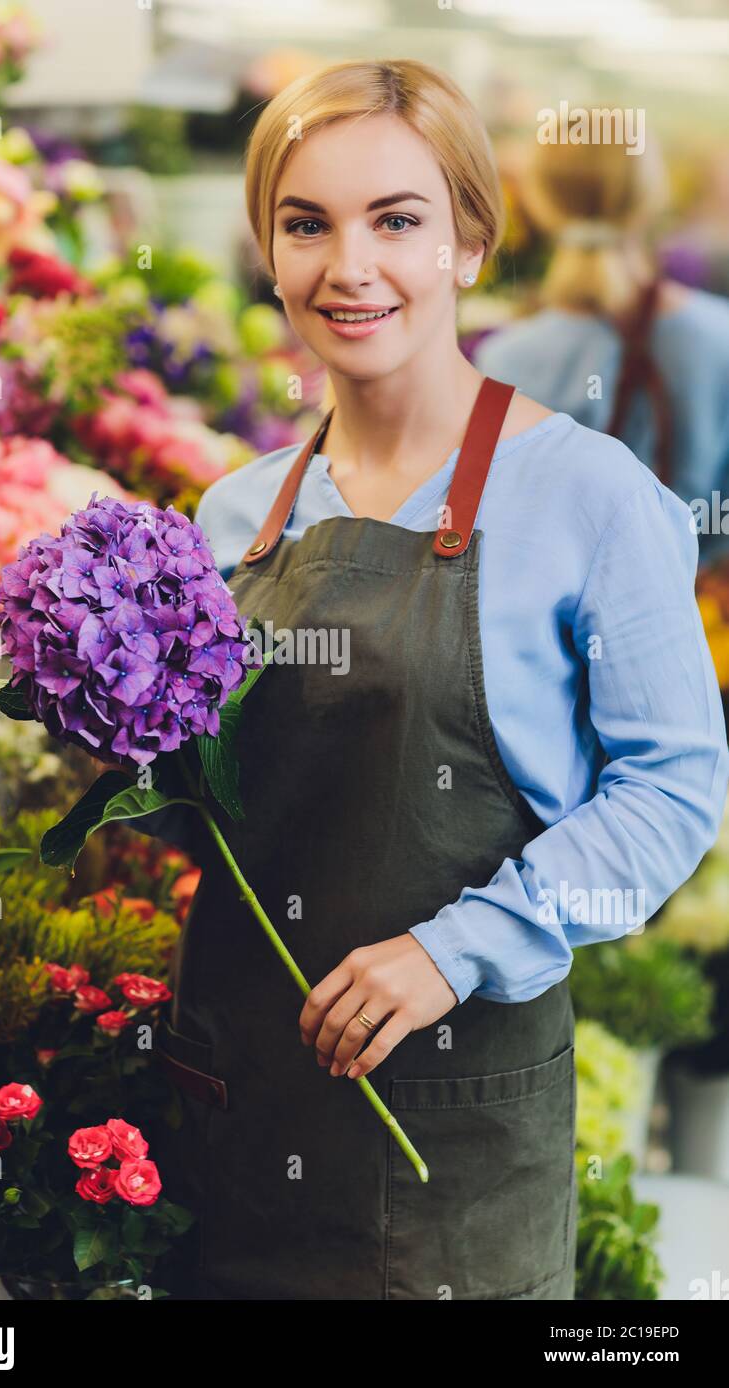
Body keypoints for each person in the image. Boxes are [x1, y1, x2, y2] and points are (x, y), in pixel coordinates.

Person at [148, 58, 729, 1302]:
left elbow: (673, 794)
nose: (348, 267)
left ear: (470, 240)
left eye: (396, 220)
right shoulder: (233, 512)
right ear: (268, 249)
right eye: (305, 223)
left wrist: (461, 944)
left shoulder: (588, 495)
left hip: (447, 1144)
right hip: (238, 1117)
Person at [473, 138, 729, 567]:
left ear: (539, 205)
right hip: (693, 609)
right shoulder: (718, 335)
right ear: (651, 199)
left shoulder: (503, 359)